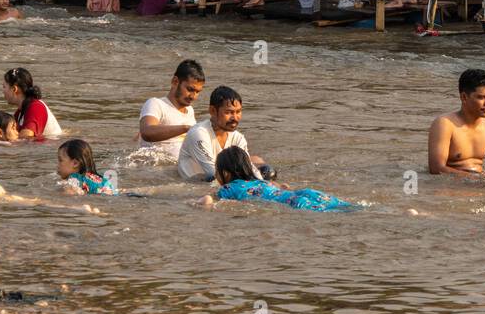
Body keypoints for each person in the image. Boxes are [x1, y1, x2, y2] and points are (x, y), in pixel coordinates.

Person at [198, 147, 350, 211]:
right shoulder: (261, 182)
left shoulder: (228, 189)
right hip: (306, 193)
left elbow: (207, 201)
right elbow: (282, 187)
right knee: (350, 208)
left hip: (295, 204)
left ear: (226, 173)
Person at [177, 85, 274, 181]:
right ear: (213, 111)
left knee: (269, 172)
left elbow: (248, 168)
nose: (235, 118)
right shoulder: (199, 133)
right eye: (228, 112)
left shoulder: (238, 137)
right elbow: (212, 173)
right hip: (194, 185)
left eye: (238, 111)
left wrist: (263, 185)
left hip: (221, 182)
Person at [428, 69, 485, 176]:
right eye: (481, 97)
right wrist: (475, 179)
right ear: (464, 97)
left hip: (479, 188)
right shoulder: (445, 124)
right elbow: (436, 169)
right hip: (452, 189)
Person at [137, 59, 205, 160]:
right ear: (175, 82)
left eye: (197, 92)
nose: (193, 96)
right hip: (156, 170)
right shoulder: (156, 104)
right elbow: (146, 132)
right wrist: (186, 128)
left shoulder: (190, 111)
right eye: (190, 89)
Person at [2, 67, 63, 139]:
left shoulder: (36, 107)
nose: (3, 91)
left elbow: (27, 138)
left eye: (4, 87)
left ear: (14, 89)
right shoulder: (20, 112)